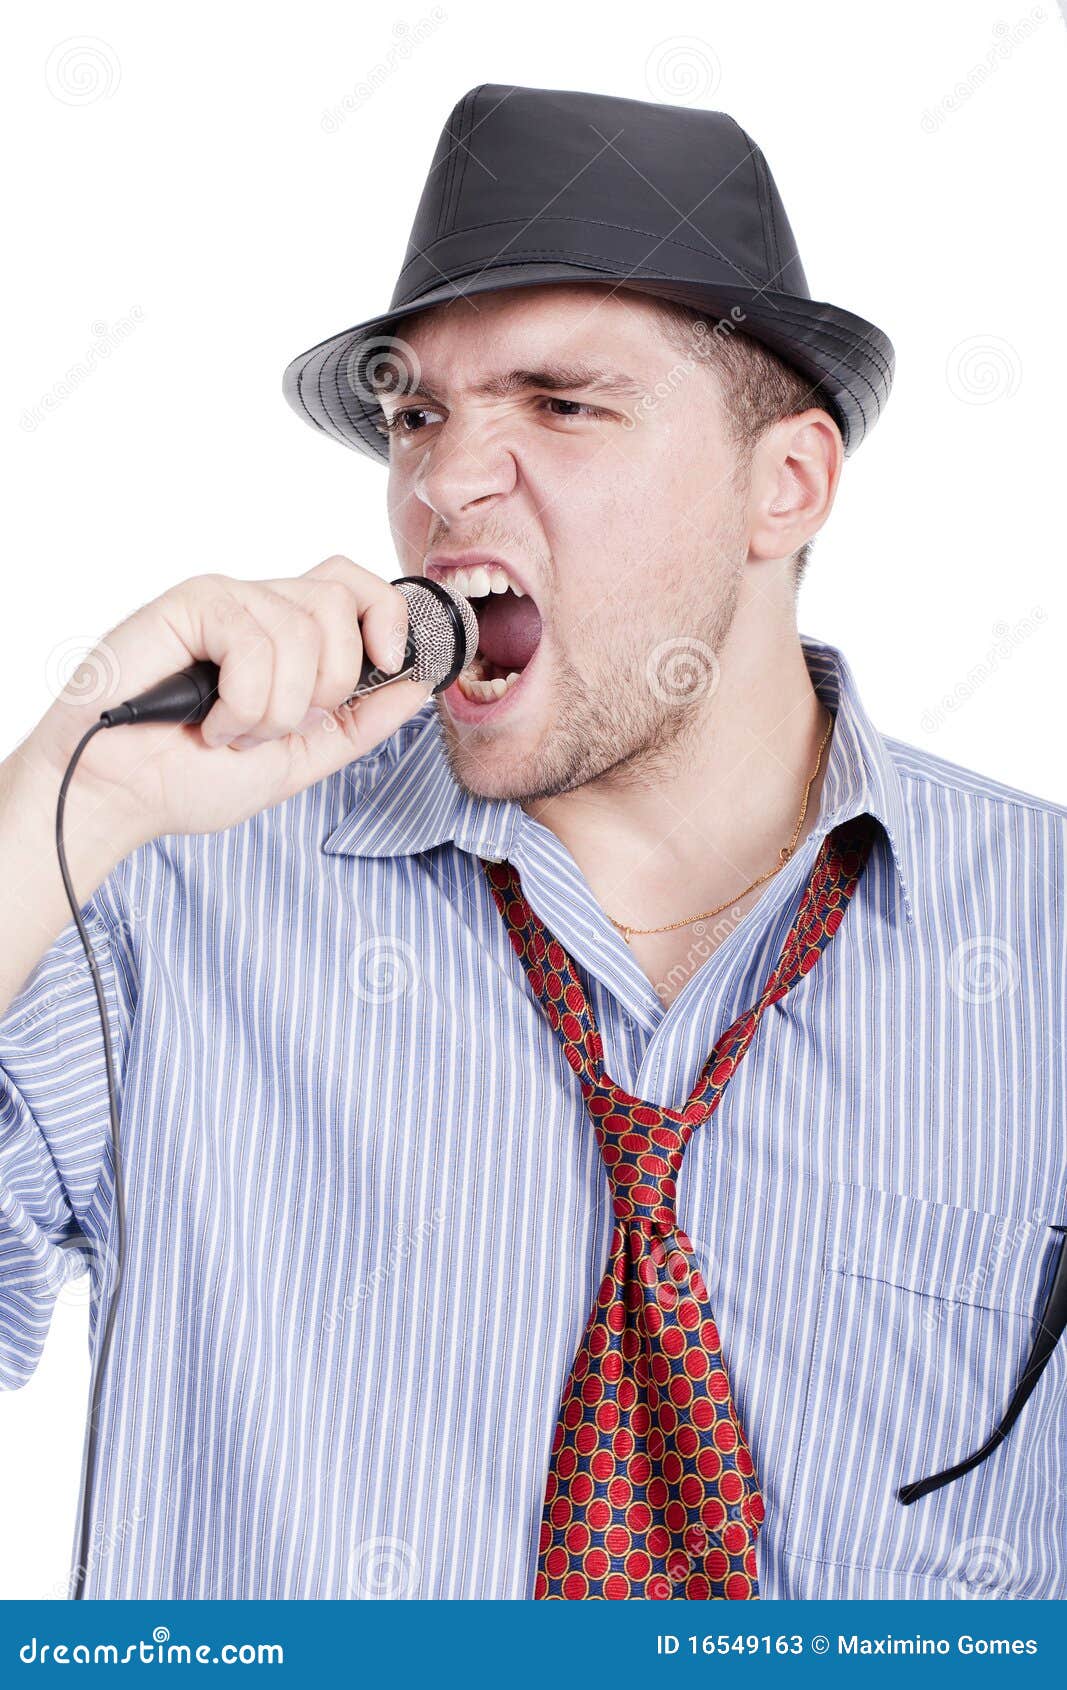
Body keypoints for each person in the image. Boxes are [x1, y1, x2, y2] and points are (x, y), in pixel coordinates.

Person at [1, 83, 1064, 1602]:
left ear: (789, 485)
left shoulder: (1044, 944)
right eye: (418, 413)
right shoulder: (159, 892)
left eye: (560, 404)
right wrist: (66, 798)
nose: (442, 483)